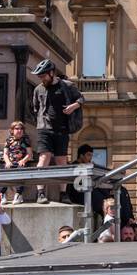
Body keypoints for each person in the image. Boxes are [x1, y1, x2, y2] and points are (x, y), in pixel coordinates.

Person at [31, 59, 84, 205]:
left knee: (61, 161)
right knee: (44, 157)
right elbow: (35, 108)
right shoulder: (38, 89)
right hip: (44, 128)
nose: (42, 79)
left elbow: (81, 98)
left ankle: (63, 193)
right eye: (40, 76)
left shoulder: (67, 85)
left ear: (51, 73)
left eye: (43, 76)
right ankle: (40, 193)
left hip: (62, 129)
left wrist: (73, 106)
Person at [3, 121, 34, 204]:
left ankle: (18, 194)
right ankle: (2, 194)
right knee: (4, 172)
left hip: (21, 162)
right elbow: (5, 153)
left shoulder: (25, 140)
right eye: (17, 129)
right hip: (10, 162)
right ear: (12, 130)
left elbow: (30, 154)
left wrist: (23, 160)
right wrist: (7, 162)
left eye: (21, 129)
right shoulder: (9, 140)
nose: (19, 130)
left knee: (21, 172)